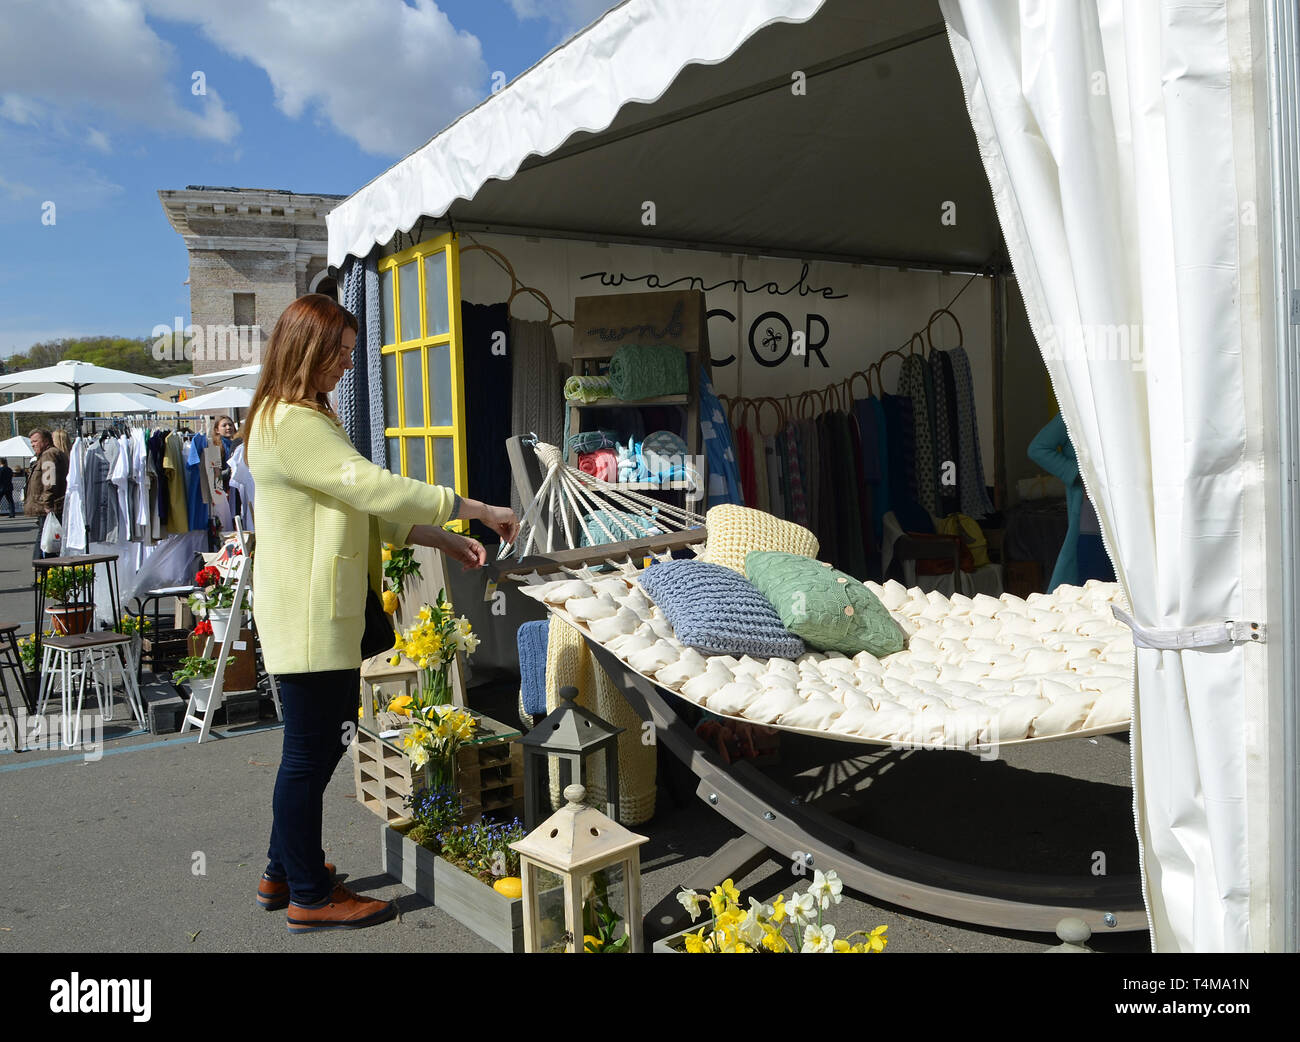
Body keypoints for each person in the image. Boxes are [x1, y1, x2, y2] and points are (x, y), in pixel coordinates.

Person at [244, 293, 519, 934]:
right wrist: (470, 508)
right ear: (304, 350)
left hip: (314, 607)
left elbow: (362, 506)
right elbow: (370, 485)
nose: (344, 365)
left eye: (347, 353)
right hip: (309, 612)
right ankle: (307, 893)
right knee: (310, 752)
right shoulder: (292, 421)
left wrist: (443, 537)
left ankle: (283, 869)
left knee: (317, 739)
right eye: (336, 353)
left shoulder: (288, 416)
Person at [1027, 412, 1114, 592]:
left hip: (1128, 507)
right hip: (1090, 509)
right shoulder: (1074, 409)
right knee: (1094, 585)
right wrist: (1082, 474)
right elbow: (1038, 449)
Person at [24, 428, 69, 561]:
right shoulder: (49, 454)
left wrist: (47, 503)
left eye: (36, 441)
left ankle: (42, 571)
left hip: (49, 507)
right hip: (49, 506)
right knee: (47, 539)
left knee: (46, 541)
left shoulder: (49, 454)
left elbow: (49, 481)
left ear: (46, 441)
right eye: (31, 442)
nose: (33, 444)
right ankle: (42, 570)